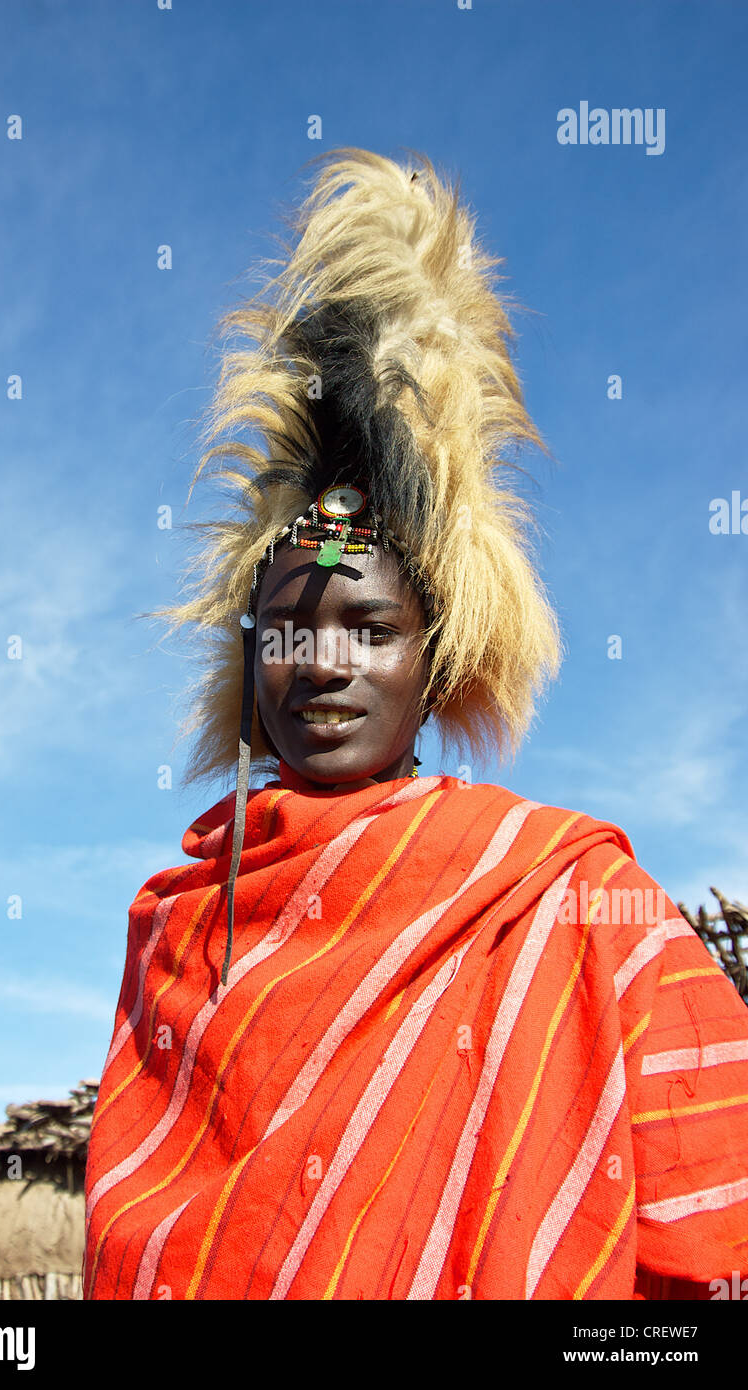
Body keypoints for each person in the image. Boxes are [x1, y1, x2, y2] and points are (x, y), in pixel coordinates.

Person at [83, 148, 748, 1300]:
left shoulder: (561, 900)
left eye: (370, 626)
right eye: (287, 629)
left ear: (436, 667)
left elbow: (709, 1186)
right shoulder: (180, 927)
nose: (323, 662)